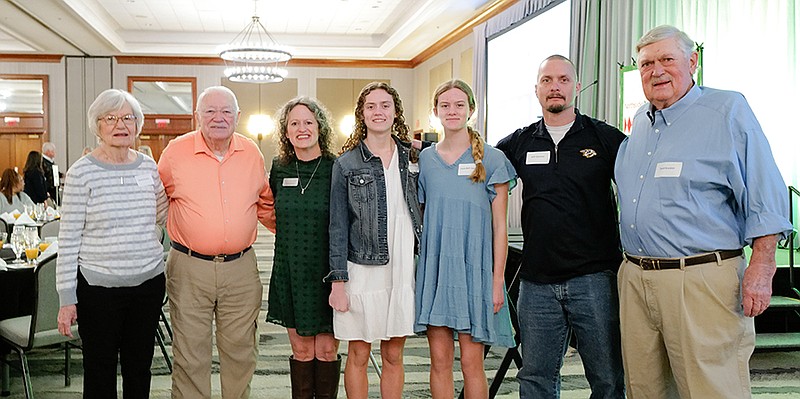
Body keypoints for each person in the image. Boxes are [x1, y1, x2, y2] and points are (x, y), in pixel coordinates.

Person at [615, 25, 792, 398]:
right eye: (646, 63)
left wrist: (762, 267)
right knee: (645, 389)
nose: (656, 70)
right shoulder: (640, 127)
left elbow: (765, 194)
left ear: (692, 61)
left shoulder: (727, 110)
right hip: (636, 279)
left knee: (712, 388)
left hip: (700, 278)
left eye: (667, 59)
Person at [496, 55, 626, 398]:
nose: (556, 86)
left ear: (577, 87)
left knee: (608, 377)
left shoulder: (605, 138)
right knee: (535, 378)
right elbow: (476, 165)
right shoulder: (519, 143)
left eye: (564, 80)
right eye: (548, 80)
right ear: (537, 89)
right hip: (536, 282)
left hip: (595, 279)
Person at [158, 86, 275, 398]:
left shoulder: (252, 152)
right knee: (189, 352)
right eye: (210, 111)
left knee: (241, 350)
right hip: (188, 267)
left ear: (238, 117)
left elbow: (265, 205)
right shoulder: (175, 152)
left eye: (226, 111)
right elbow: (155, 202)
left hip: (241, 269)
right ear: (198, 116)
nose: (218, 118)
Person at [55, 89, 168, 398]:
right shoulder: (81, 173)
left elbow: (163, 214)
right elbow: (67, 240)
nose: (120, 124)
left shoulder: (148, 167)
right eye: (110, 118)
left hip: (147, 285)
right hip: (97, 290)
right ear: (98, 125)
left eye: (128, 117)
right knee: (99, 370)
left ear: (137, 124)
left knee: (139, 366)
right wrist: (67, 298)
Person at [415, 79, 516, 398]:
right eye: (445, 105)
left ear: (471, 110)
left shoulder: (492, 158)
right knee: (439, 363)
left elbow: (501, 227)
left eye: (459, 104)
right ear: (435, 112)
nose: (452, 111)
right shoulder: (426, 160)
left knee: (473, 365)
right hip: (436, 273)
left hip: (475, 273)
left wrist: (497, 280)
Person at [326, 82, 422, 398]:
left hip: (402, 264)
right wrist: (338, 282)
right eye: (371, 106)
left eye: (384, 105)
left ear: (396, 112)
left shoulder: (415, 156)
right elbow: (337, 227)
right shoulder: (347, 163)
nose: (378, 111)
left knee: (394, 354)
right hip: (362, 267)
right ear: (362, 114)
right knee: (359, 354)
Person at [266, 97, 340, 398]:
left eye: (308, 122)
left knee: (324, 351)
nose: (302, 128)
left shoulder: (337, 168)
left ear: (320, 127)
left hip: (327, 273)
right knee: (301, 351)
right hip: (290, 270)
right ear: (285, 132)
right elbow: (268, 212)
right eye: (294, 123)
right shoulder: (279, 168)